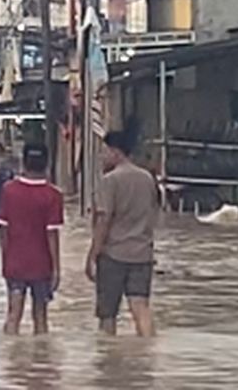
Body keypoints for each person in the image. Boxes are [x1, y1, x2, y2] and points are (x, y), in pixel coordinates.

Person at [86, 130, 158, 337]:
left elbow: (104, 220)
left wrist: (93, 255)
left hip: (113, 255)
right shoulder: (147, 179)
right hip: (142, 254)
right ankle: (148, 349)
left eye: (104, 152)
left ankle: (108, 353)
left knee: (107, 315)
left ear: (115, 152)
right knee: (140, 307)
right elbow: (153, 213)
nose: (102, 157)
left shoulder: (110, 181)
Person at [0, 143, 63, 335]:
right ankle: (41, 352)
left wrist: (6, 258)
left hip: (15, 264)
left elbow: (3, 230)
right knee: (40, 316)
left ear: (23, 162)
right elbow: (52, 235)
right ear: (47, 163)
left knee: (13, 314)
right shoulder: (53, 195)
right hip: (42, 266)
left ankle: (10, 352)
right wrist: (56, 269)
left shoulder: (9, 190)